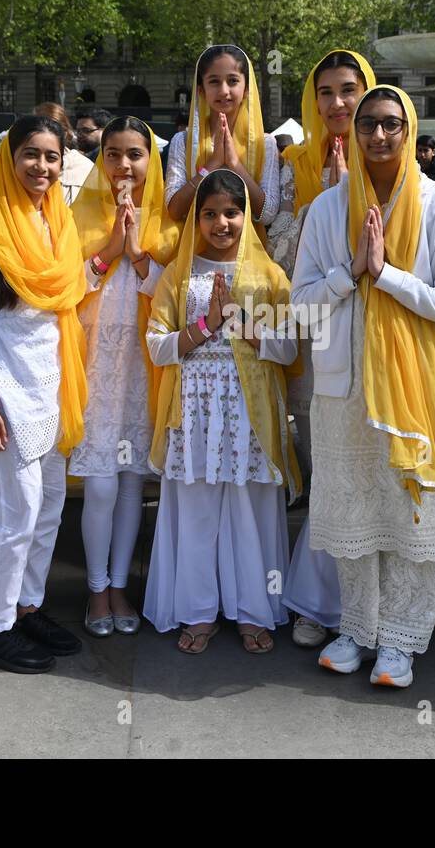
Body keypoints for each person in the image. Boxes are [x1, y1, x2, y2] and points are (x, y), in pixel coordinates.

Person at [292, 85, 435, 688]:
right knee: (353, 511)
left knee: (410, 513)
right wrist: (350, 274)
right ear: (353, 131)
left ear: (410, 129)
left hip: (415, 387)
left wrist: (387, 275)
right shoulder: (326, 209)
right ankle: (357, 630)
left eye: (391, 124)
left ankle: (401, 642)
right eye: (368, 124)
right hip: (343, 388)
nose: (379, 135)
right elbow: (300, 308)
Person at [143, 168, 300, 653]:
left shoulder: (269, 274)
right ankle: (197, 612)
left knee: (251, 513)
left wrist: (241, 322)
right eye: (209, 214)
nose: (221, 223)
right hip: (192, 413)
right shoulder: (179, 273)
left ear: (246, 215)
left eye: (231, 212)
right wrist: (206, 325)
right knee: (196, 513)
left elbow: (290, 349)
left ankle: (255, 611)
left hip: (249, 415)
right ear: (197, 219)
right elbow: (156, 347)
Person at [0, 114, 87, 674]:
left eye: (52, 157)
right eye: (30, 154)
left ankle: (28, 605)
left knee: (49, 506)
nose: (41, 166)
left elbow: (68, 290)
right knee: (17, 513)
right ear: (10, 158)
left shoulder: (59, 220)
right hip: (0, 385)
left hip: (50, 382)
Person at [277, 48, 376, 648]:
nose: (338, 104)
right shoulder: (295, 163)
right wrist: (327, 202)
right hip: (319, 340)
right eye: (326, 92)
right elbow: (281, 255)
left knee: (374, 469)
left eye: (349, 90)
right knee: (328, 472)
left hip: (383, 339)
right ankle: (319, 601)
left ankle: (373, 602)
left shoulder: (391, 154)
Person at [70, 116, 180, 636]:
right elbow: (65, 288)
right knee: (100, 487)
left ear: (149, 160)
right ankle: (95, 590)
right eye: (113, 154)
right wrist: (111, 245)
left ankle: (119, 587)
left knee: (132, 484)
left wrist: (138, 252)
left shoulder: (166, 222)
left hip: (141, 369)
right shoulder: (79, 213)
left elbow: (171, 295)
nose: (123, 165)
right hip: (93, 367)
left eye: (135, 154)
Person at [165, 45, 279, 228]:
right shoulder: (184, 142)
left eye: (233, 81)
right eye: (214, 81)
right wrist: (210, 166)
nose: (224, 90)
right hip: (193, 252)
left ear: (247, 89)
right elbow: (174, 210)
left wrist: (235, 165)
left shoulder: (264, 144)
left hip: (248, 253)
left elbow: (268, 214)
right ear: (201, 90)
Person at [34, 102, 94, 205]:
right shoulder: (22, 166)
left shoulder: (86, 167)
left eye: (52, 131)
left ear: (65, 134)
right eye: (36, 131)